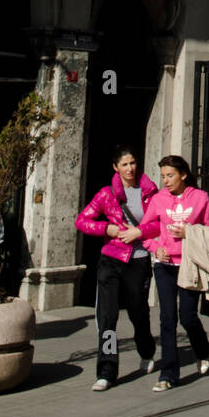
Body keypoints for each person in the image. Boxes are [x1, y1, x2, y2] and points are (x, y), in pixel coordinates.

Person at [125, 155, 209, 391]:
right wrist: (157, 248)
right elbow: (146, 231)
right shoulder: (158, 200)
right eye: (163, 176)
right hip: (164, 265)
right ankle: (168, 374)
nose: (165, 180)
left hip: (189, 265)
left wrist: (190, 233)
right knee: (167, 318)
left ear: (183, 175)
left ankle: (202, 350)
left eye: (170, 175)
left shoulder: (199, 198)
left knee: (188, 317)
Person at [74, 145, 158, 392]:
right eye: (124, 164)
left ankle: (146, 350)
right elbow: (82, 221)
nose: (130, 168)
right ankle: (107, 371)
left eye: (132, 163)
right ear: (115, 167)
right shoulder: (106, 194)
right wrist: (105, 229)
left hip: (139, 260)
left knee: (138, 313)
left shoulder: (150, 193)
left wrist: (139, 231)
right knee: (107, 318)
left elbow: (160, 224)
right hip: (111, 260)